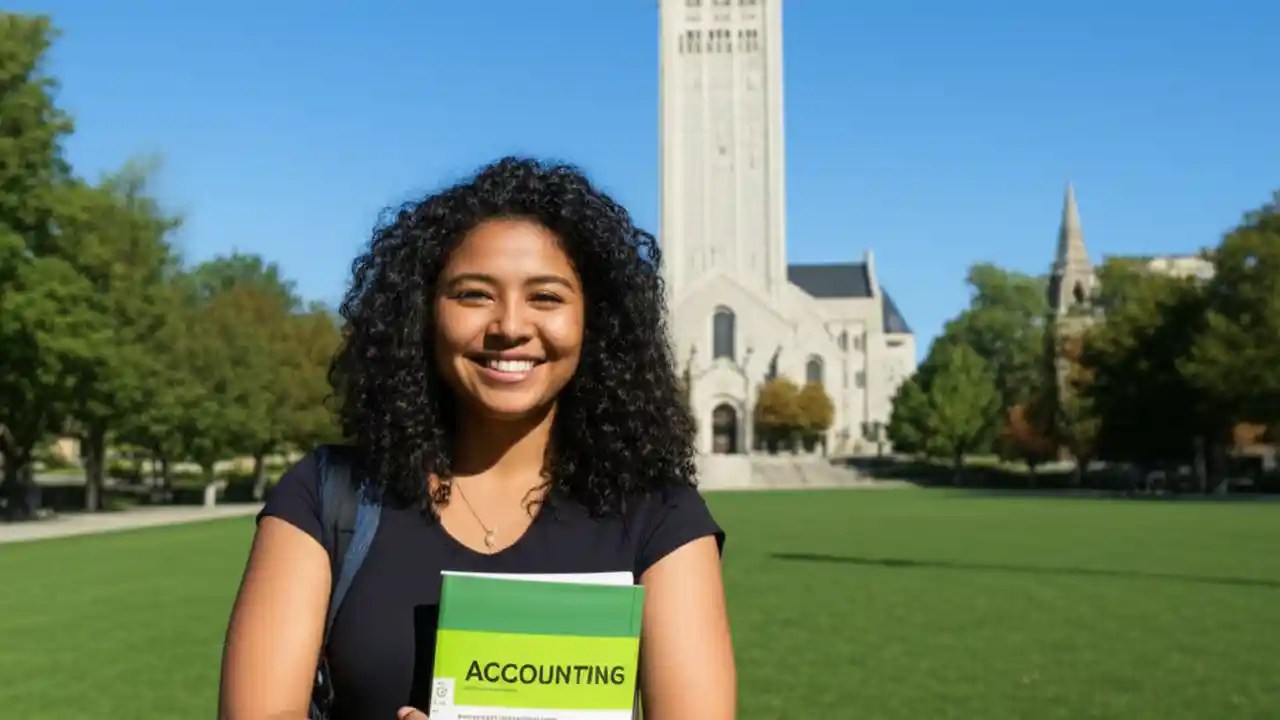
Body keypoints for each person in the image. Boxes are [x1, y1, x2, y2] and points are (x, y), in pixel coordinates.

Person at [217, 157, 736, 719]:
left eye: (546, 297)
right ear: (421, 314)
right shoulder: (328, 497)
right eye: (473, 295)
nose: (510, 326)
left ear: (596, 322)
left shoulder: (660, 517)